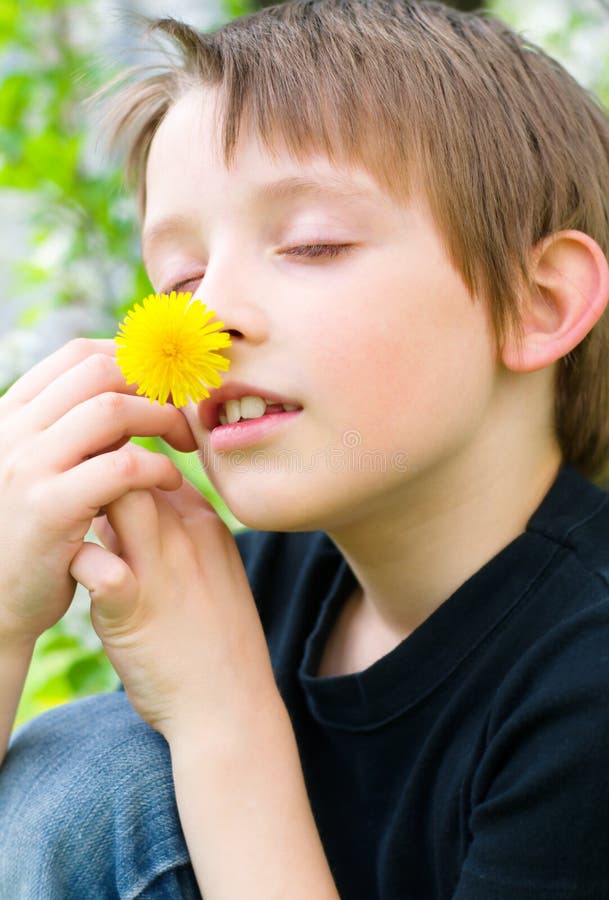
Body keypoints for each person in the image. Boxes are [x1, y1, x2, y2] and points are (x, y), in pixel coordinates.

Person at [1, 0, 609, 896]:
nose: (207, 313)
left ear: (538, 303)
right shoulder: (246, 588)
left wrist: (223, 719)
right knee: (88, 771)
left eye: (311, 244)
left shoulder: (586, 678)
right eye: (179, 276)